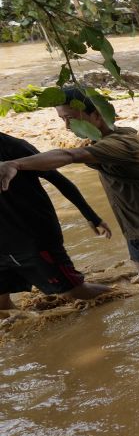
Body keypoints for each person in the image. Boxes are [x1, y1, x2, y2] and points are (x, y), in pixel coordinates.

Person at [0, 88, 139, 303]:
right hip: (134, 229)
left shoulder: (123, 144)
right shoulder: (100, 142)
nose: (67, 126)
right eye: (62, 120)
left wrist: (15, 164)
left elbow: (70, 155)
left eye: (71, 118)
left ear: (97, 115)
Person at [0, 131, 112, 309]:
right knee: (1, 303)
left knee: (75, 291)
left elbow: (58, 180)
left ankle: (132, 295)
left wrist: (91, 216)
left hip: (33, 237)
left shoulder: (12, 147)